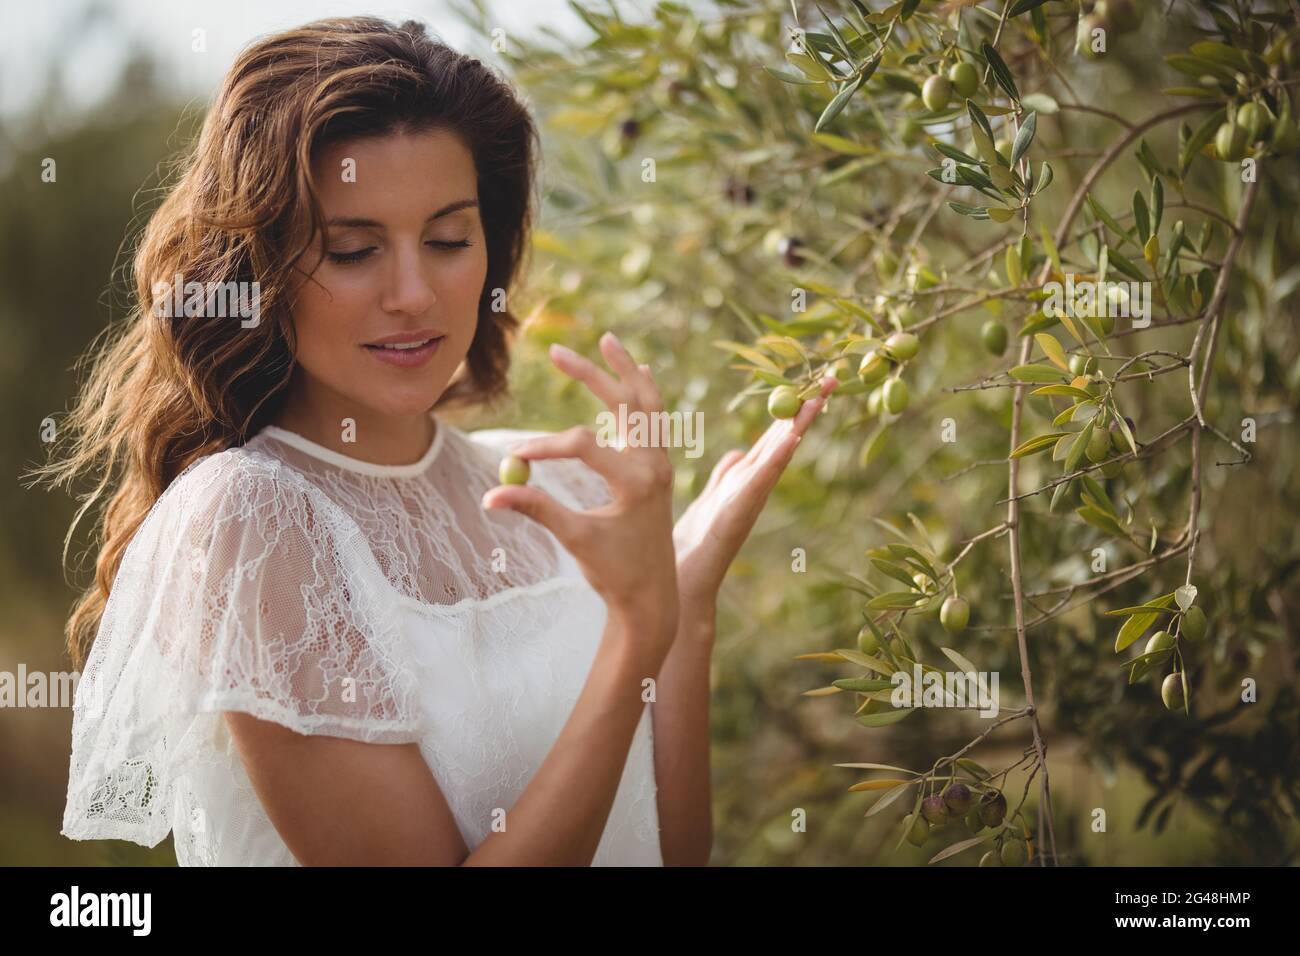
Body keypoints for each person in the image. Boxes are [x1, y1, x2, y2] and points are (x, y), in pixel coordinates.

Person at [37, 15, 836, 866]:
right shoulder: (253, 519)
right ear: (259, 266)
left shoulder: (552, 486)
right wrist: (637, 632)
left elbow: (672, 852)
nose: (414, 293)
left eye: (449, 239)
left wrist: (684, 604)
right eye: (353, 250)